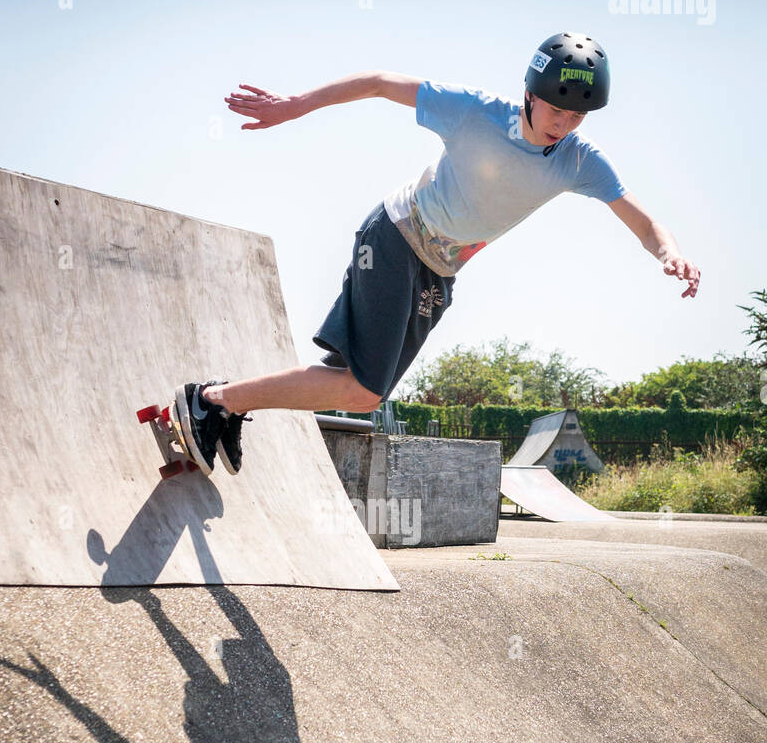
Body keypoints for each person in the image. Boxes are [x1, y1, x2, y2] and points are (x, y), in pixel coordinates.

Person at [175, 32, 700, 474]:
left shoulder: (580, 160)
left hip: (438, 274)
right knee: (365, 390)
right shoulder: (473, 111)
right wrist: (294, 106)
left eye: (577, 116)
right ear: (530, 93)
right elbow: (380, 82)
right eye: (556, 109)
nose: (563, 124)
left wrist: (668, 252)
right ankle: (213, 401)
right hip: (395, 236)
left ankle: (220, 403)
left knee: (359, 394)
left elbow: (638, 214)